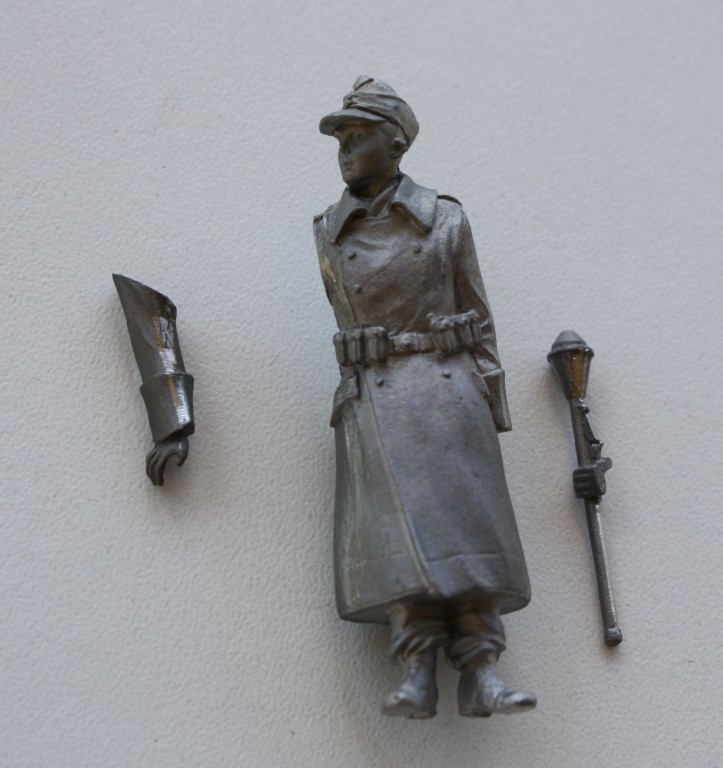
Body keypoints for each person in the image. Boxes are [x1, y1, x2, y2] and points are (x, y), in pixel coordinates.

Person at [313, 77, 535, 719]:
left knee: (470, 529)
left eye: (358, 138)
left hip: (447, 390)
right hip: (377, 396)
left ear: (397, 142)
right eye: (341, 141)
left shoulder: (446, 219)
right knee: (394, 537)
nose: (345, 151)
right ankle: (414, 668)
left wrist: (490, 402)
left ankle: (483, 669)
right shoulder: (328, 233)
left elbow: (480, 315)